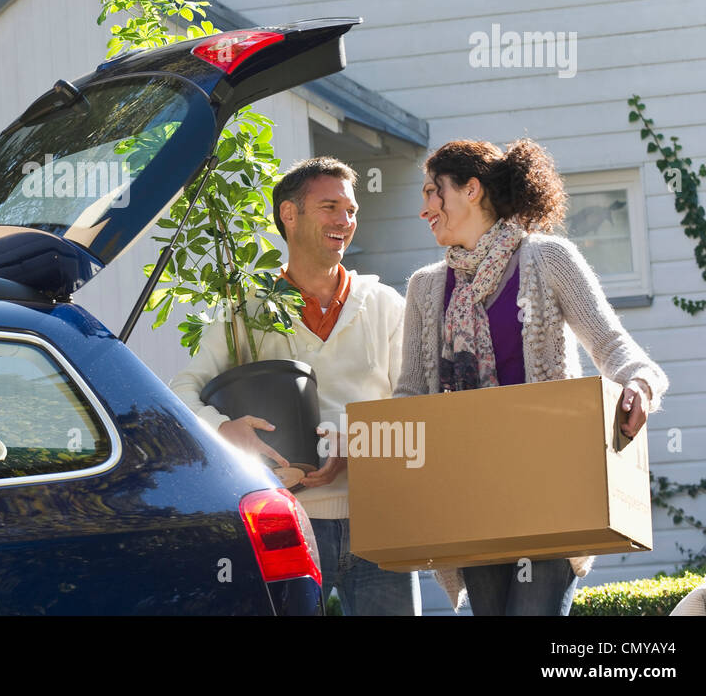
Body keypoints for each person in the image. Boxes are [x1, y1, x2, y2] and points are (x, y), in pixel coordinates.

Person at [396, 138, 669, 615]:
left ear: (472, 190)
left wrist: (639, 384)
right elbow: (410, 395)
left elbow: (610, 343)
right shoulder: (426, 288)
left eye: (431, 192)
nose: (424, 209)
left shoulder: (547, 259)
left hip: (550, 483)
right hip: (471, 492)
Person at [170, 157, 420, 616]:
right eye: (330, 207)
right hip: (285, 521)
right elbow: (182, 392)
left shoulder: (385, 305)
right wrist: (225, 430)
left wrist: (356, 440)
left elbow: (416, 403)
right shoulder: (245, 307)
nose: (344, 221)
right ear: (289, 214)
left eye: (351, 210)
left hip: (381, 517)